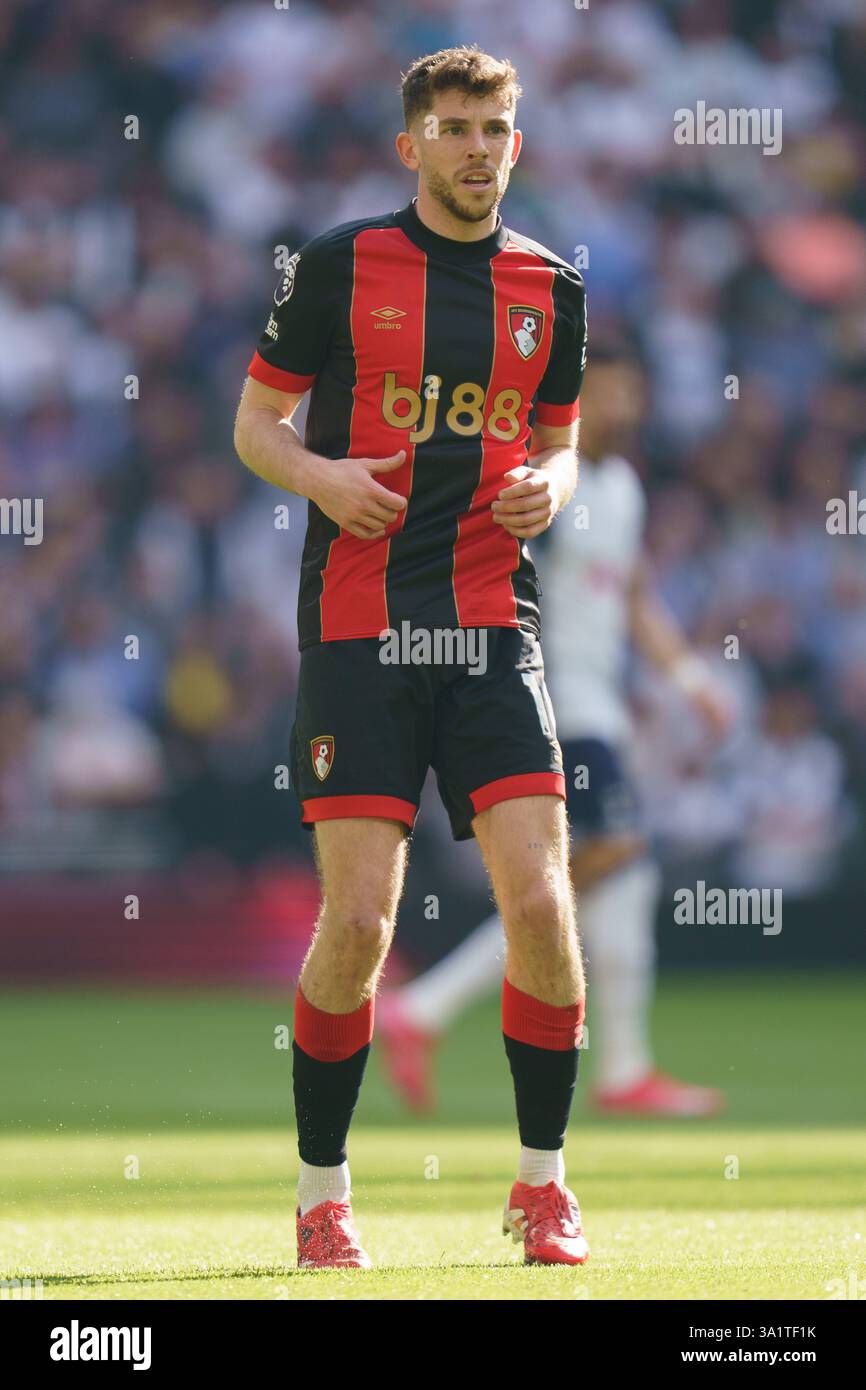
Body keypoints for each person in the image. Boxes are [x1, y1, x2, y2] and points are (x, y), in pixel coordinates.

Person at [234, 46, 590, 1268]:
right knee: (357, 926)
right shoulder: (337, 264)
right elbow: (255, 423)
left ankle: (542, 1184)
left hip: (495, 625)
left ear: (516, 142)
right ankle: (321, 1192)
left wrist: (552, 482)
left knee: (542, 903)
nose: (476, 148)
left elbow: (561, 441)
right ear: (411, 144)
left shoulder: (552, 284)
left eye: (494, 127)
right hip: (359, 630)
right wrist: (326, 475)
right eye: (453, 128)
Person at [378, 342, 734, 1118]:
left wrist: (690, 679)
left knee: (626, 882)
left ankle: (624, 1070)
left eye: (630, 392)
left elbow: (632, 594)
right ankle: (424, 1007)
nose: (622, 407)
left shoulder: (624, 487)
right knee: (611, 857)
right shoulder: (545, 483)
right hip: (558, 704)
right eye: (605, 393)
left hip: (602, 707)